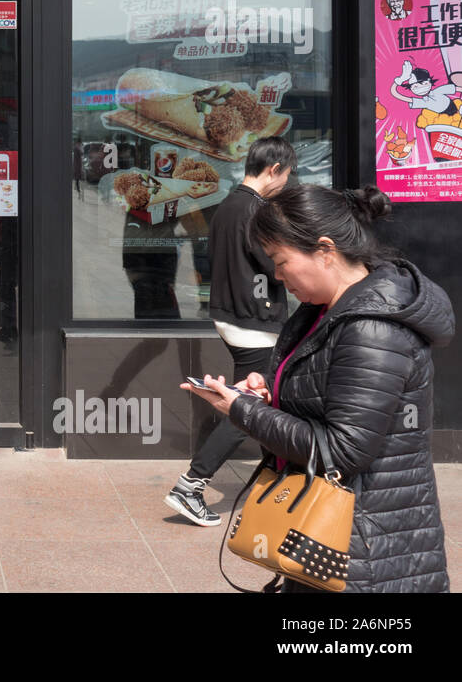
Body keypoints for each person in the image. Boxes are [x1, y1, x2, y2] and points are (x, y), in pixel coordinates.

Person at [185, 183, 452, 592]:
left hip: (367, 554)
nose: (275, 275)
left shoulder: (371, 328)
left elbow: (342, 451)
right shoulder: (326, 310)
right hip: (338, 534)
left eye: (280, 260)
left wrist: (242, 411)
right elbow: (333, 399)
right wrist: (270, 393)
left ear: (325, 250)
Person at [166, 137, 296, 526]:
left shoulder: (226, 205)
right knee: (248, 406)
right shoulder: (257, 211)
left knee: (262, 403)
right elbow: (275, 264)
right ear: (274, 169)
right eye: (287, 175)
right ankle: (190, 485)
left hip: (230, 316)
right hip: (253, 320)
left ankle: (278, 485)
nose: (287, 183)